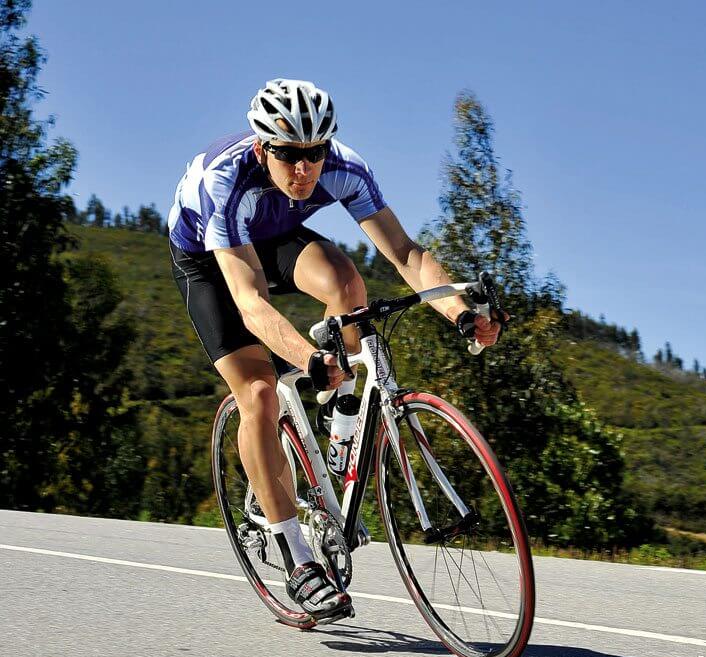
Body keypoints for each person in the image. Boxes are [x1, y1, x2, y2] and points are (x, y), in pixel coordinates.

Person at [166, 79, 501, 621]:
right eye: (290, 156)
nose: (304, 170)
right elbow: (250, 304)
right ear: (261, 149)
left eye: (314, 154)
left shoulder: (346, 168)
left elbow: (406, 254)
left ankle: (339, 434)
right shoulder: (222, 182)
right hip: (211, 259)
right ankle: (296, 560)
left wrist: (460, 311)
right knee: (257, 392)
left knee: (347, 285)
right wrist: (308, 359)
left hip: (274, 235)